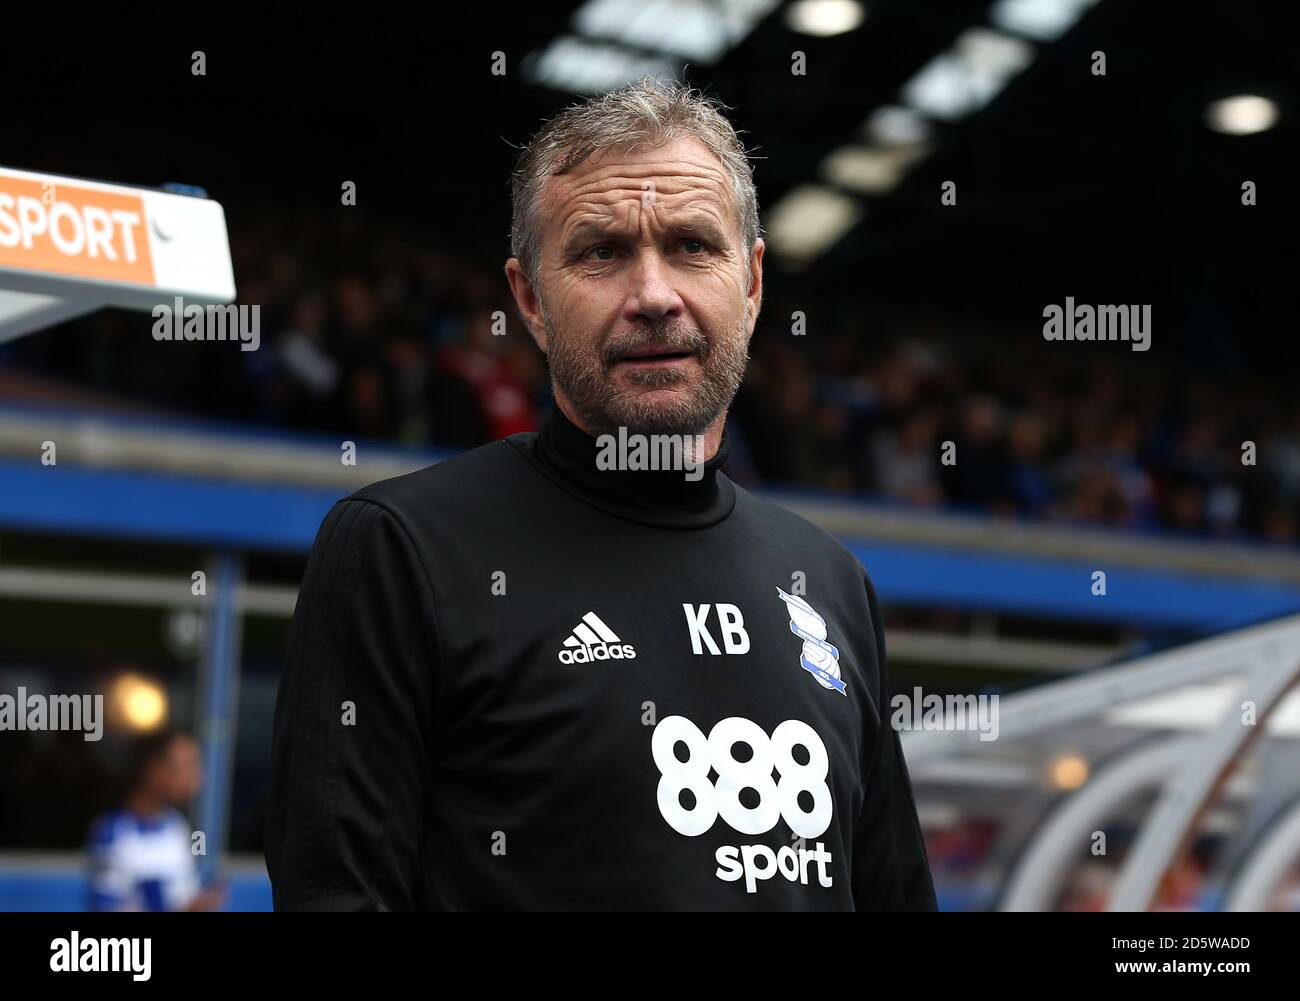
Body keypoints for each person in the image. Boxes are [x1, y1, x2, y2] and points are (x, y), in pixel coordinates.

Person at [266, 77, 937, 911]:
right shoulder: (402, 552)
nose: (654, 295)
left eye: (693, 245)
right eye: (601, 252)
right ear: (530, 300)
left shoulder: (830, 582)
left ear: (754, 282)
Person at [87, 730, 225, 911]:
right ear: (154, 770)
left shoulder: (177, 826)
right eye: (186, 767)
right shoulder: (111, 832)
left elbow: (183, 896)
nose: (196, 779)